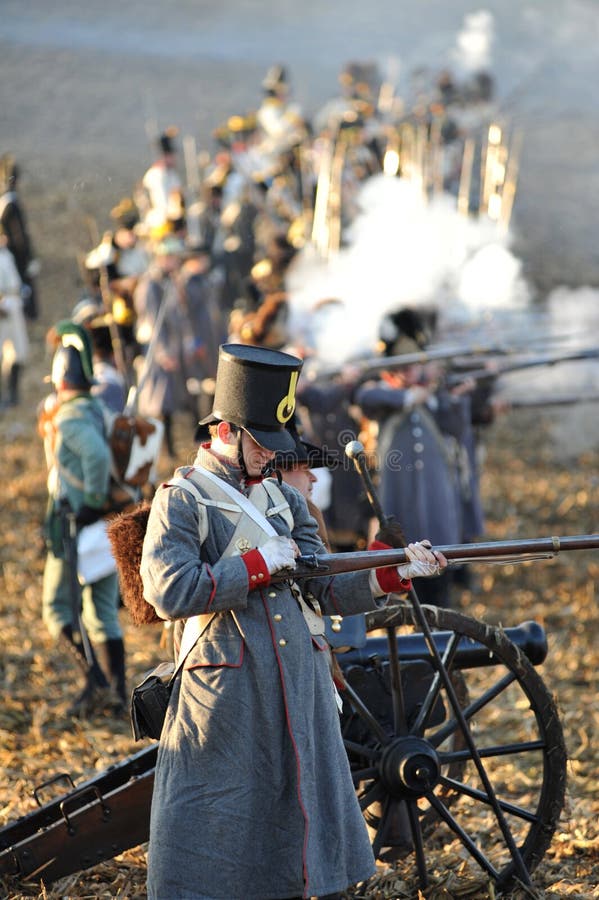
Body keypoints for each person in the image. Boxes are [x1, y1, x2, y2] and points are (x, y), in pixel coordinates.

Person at [139, 342, 446, 900]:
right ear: (228, 431)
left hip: (298, 686)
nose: (271, 457)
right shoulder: (182, 500)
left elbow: (325, 588)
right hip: (228, 693)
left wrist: (393, 574)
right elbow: (168, 590)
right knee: (219, 835)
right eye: (262, 443)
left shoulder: (285, 501)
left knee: (298, 832)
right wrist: (253, 565)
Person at [40, 321, 127, 717]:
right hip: (101, 524)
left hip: (79, 524)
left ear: (59, 379)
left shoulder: (71, 417)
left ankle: (96, 683)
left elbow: (94, 455)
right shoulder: (95, 408)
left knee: (58, 609)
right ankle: (117, 692)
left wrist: (91, 500)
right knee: (102, 610)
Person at [0, 154, 40, 320]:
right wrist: (28, 260)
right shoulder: (10, 204)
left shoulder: (4, 203)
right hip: (11, 263)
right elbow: (19, 239)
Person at [0, 230, 29, 408]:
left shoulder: (6, 254)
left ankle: (13, 394)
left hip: (14, 303)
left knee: (18, 351)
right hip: (2, 306)